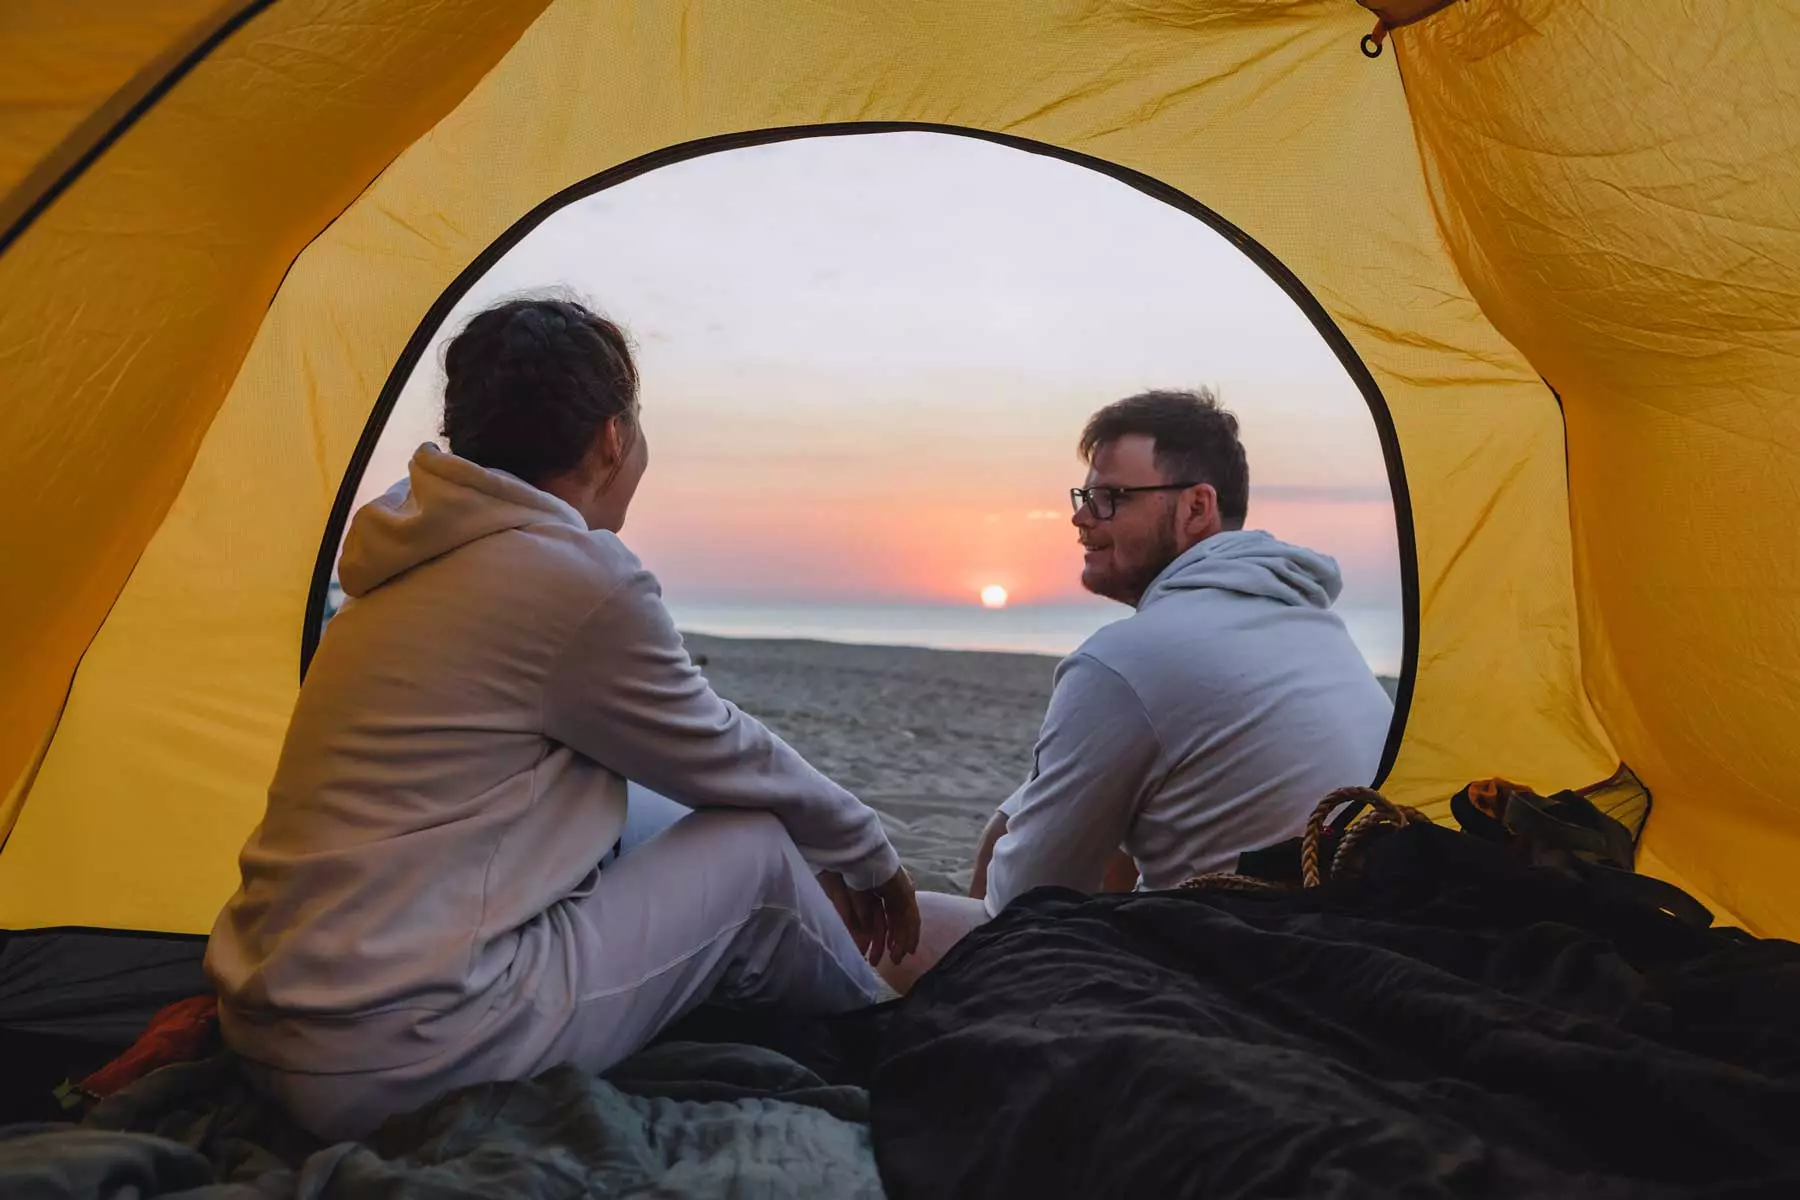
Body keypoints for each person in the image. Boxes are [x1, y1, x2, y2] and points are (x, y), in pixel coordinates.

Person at [206, 297, 918, 1139]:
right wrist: (866, 851)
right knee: (755, 849)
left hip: (272, 1020)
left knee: (668, 813)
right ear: (612, 438)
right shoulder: (573, 574)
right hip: (410, 1050)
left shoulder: (409, 554)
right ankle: (897, 1027)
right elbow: (726, 750)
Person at [883, 389, 1392, 992]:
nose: (1080, 518)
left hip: (1233, 968)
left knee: (877, 925)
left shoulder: (1125, 659)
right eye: (1083, 497)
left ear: (1197, 506)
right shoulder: (1312, 625)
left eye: (1109, 499)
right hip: (1345, 940)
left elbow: (1019, 905)